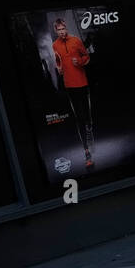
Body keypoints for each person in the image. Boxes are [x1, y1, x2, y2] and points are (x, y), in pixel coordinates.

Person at [52, 18, 95, 169]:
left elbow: (87, 56)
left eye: (63, 29)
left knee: (87, 116)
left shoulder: (76, 40)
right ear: (56, 31)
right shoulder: (55, 45)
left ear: (66, 28)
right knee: (79, 117)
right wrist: (59, 68)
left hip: (82, 83)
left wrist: (81, 62)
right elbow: (58, 61)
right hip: (69, 86)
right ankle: (87, 152)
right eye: (59, 30)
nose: (62, 32)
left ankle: (90, 128)